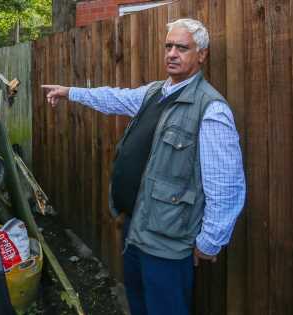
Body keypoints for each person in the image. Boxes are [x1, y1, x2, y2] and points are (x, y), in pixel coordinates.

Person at [42, 18, 245, 315]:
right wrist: (70, 92)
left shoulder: (211, 109)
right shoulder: (154, 92)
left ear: (201, 54)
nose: (172, 53)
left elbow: (226, 185)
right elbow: (114, 98)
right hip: (136, 228)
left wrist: (210, 242)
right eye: (168, 46)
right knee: (138, 304)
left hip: (167, 241)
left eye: (182, 47)